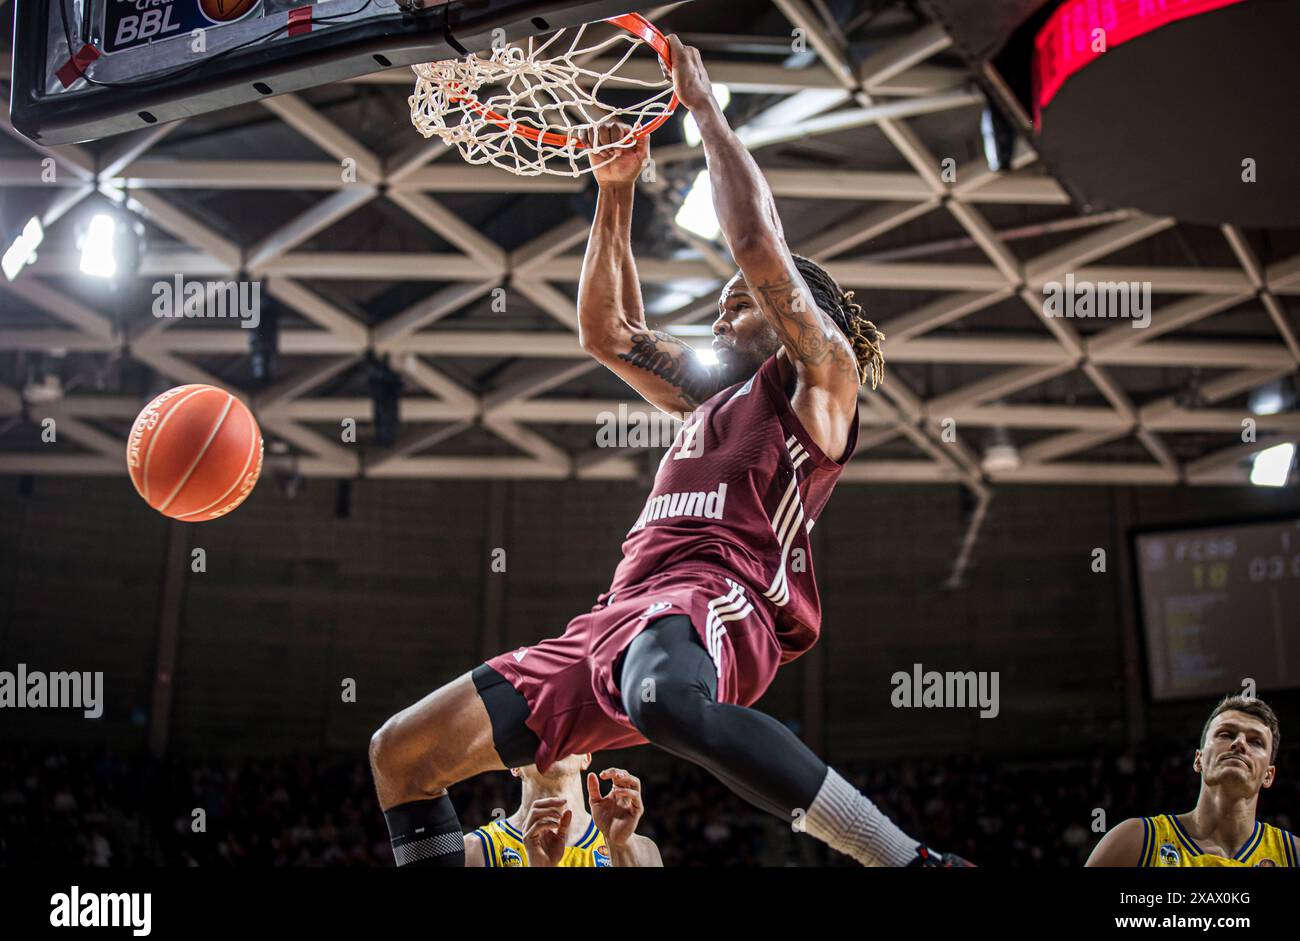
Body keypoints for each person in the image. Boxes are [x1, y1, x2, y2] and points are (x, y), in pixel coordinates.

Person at [369, 34, 969, 868]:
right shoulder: (708, 397)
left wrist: (706, 110)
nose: (721, 322)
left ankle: (906, 860)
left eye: (736, 309)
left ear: (801, 311)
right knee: (402, 753)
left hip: (717, 600)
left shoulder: (815, 384)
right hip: (615, 618)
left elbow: (760, 251)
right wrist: (614, 191)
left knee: (662, 700)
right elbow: (607, 335)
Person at [1087, 694, 1296, 866]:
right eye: (1225, 734)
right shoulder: (1136, 840)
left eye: (1256, 741)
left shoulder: (1292, 855)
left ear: (1269, 775)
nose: (1239, 743)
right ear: (1199, 759)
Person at [464, 756, 661, 867]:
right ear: (515, 765)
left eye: (567, 733)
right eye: (539, 732)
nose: (555, 739)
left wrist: (619, 848)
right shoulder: (475, 850)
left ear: (586, 757)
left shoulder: (643, 851)